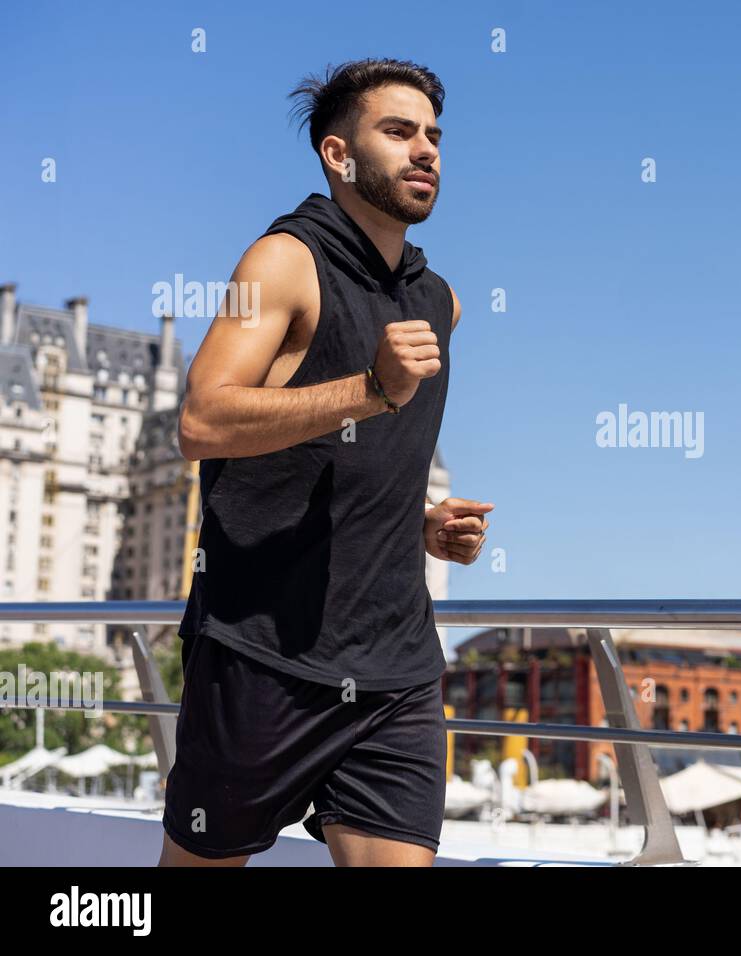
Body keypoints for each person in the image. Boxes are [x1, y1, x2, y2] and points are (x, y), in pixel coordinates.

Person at [158, 58, 492, 867]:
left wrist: (418, 525)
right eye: (399, 131)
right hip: (264, 650)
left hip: (398, 662)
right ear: (338, 155)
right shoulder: (278, 261)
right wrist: (374, 387)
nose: (427, 151)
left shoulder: (438, 299)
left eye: (434, 136)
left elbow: (341, 463)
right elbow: (202, 418)